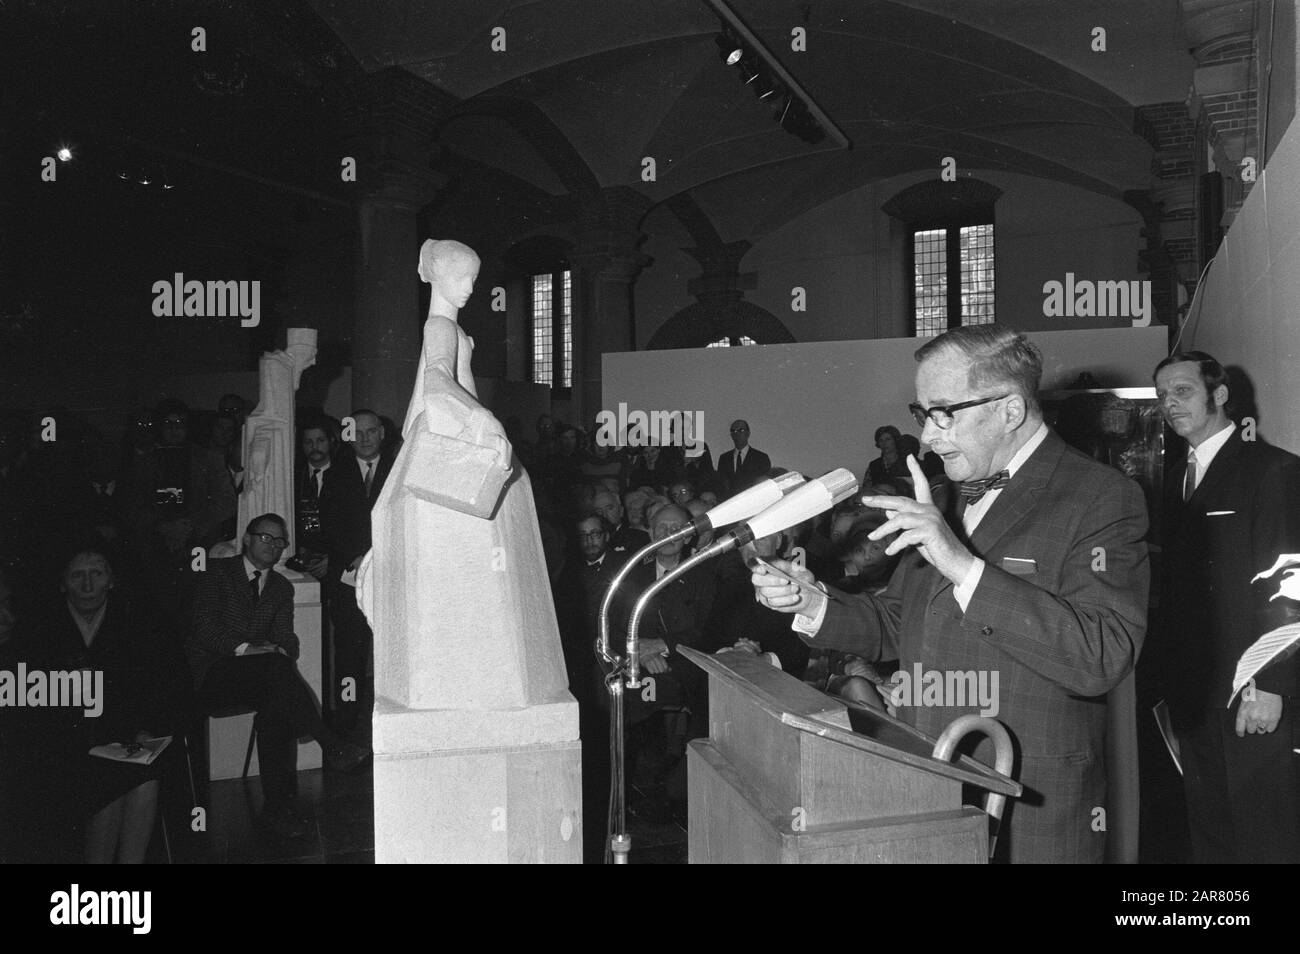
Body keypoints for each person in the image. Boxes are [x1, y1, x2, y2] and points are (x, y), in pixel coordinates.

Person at [752, 324, 1149, 864]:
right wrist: (812, 602)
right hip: (931, 780)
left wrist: (962, 565)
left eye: (945, 413)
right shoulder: (943, 497)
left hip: (1028, 800)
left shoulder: (1101, 496)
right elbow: (898, 621)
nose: (930, 437)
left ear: (1010, 410)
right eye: (922, 415)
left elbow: (1101, 656)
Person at [1152, 351, 1300, 863]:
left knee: (1263, 834)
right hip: (1194, 693)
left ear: (1219, 395)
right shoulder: (1174, 480)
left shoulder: (1272, 469)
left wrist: (1275, 685)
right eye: (1163, 396)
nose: (1170, 404)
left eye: (1182, 391)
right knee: (1210, 832)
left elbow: (1290, 584)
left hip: (1251, 689)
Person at [188, 514, 369, 840]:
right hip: (211, 676)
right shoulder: (217, 574)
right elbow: (204, 629)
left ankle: (275, 811)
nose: (272, 545)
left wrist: (282, 649)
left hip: (260, 677)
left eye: (279, 541)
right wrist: (248, 649)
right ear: (246, 539)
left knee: (278, 699)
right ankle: (330, 745)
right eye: (265, 537)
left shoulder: (281, 588)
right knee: (276, 675)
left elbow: (287, 637)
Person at [34, 542, 190, 863]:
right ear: (62, 582)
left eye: (97, 573)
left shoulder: (137, 621)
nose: (88, 585)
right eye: (78, 575)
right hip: (64, 746)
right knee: (105, 779)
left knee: (145, 778)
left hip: (123, 738)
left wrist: (146, 730)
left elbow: (158, 688)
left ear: (111, 579)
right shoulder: (43, 628)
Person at [717, 420, 771, 497]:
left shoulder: (761, 458)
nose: (737, 434)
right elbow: (721, 484)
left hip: (752, 499)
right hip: (729, 502)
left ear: (748, 433)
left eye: (741, 430)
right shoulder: (724, 458)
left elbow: (763, 484)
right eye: (734, 431)